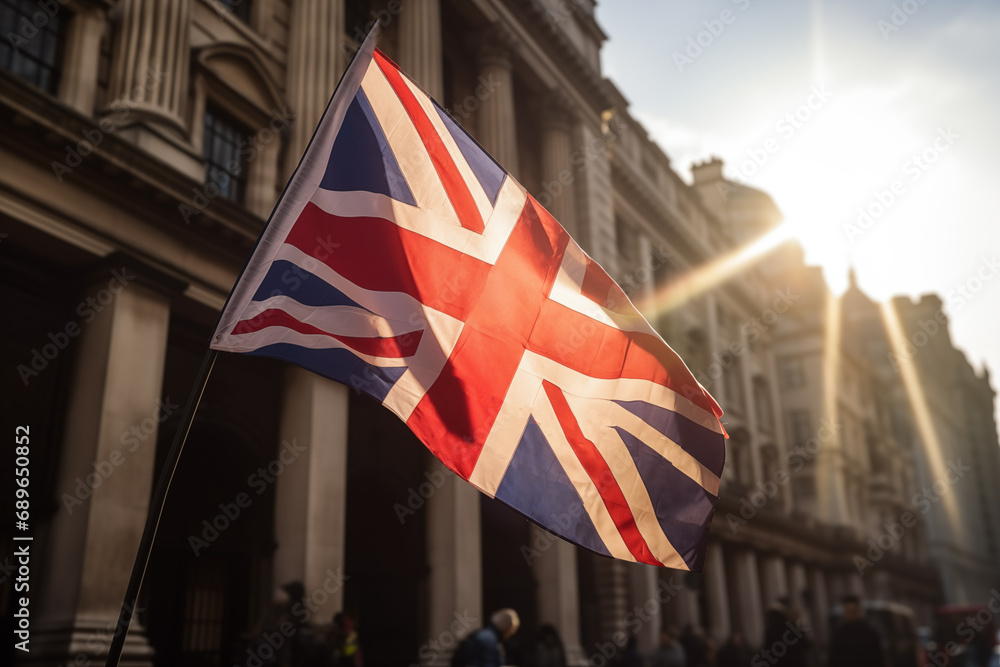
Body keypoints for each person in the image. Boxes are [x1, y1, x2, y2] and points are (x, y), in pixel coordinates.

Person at [827, 595, 885, 667]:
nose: (851, 614)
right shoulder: (839, 634)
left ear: (859, 611)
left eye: (854, 611)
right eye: (849, 611)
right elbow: (833, 658)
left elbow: (879, 656)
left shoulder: (870, 631)